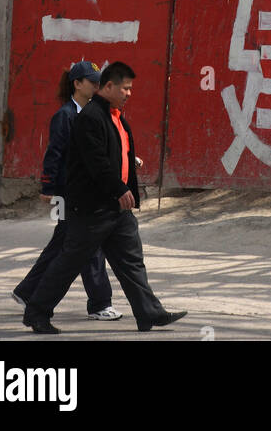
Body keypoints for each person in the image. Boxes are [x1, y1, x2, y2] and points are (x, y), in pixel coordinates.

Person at [21, 61, 186, 335]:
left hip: (117, 209)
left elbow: (114, 156)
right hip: (91, 209)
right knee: (68, 262)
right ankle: (36, 313)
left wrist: (125, 186)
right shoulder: (89, 118)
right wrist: (119, 189)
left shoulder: (115, 116)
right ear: (108, 87)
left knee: (131, 263)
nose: (129, 93)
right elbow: (97, 163)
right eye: (125, 88)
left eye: (130, 88)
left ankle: (149, 313)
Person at [12, 60, 121, 320]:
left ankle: (28, 292)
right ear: (77, 84)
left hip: (86, 190)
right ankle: (99, 304)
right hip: (68, 191)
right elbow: (55, 153)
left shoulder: (95, 113)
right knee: (87, 242)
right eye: (92, 81)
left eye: (99, 81)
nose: (97, 85)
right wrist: (48, 186)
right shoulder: (65, 116)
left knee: (65, 243)